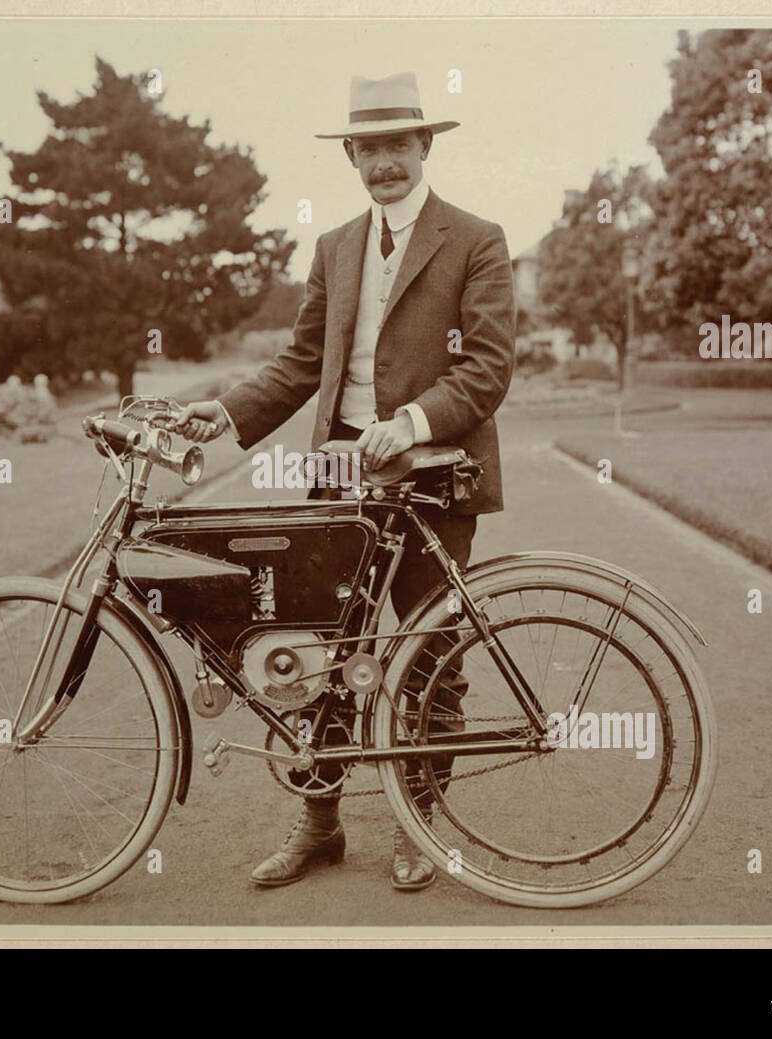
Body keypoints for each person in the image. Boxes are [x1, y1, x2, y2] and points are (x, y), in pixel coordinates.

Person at [174, 70, 515, 891]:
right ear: (352, 158)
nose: (383, 162)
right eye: (368, 148)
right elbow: (299, 364)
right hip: (342, 480)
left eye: (398, 144)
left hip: (435, 474)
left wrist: (415, 421)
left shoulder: (476, 238)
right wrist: (222, 415)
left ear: (424, 146)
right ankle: (320, 825)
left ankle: (419, 822)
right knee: (323, 657)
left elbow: (491, 363)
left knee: (431, 652)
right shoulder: (334, 247)